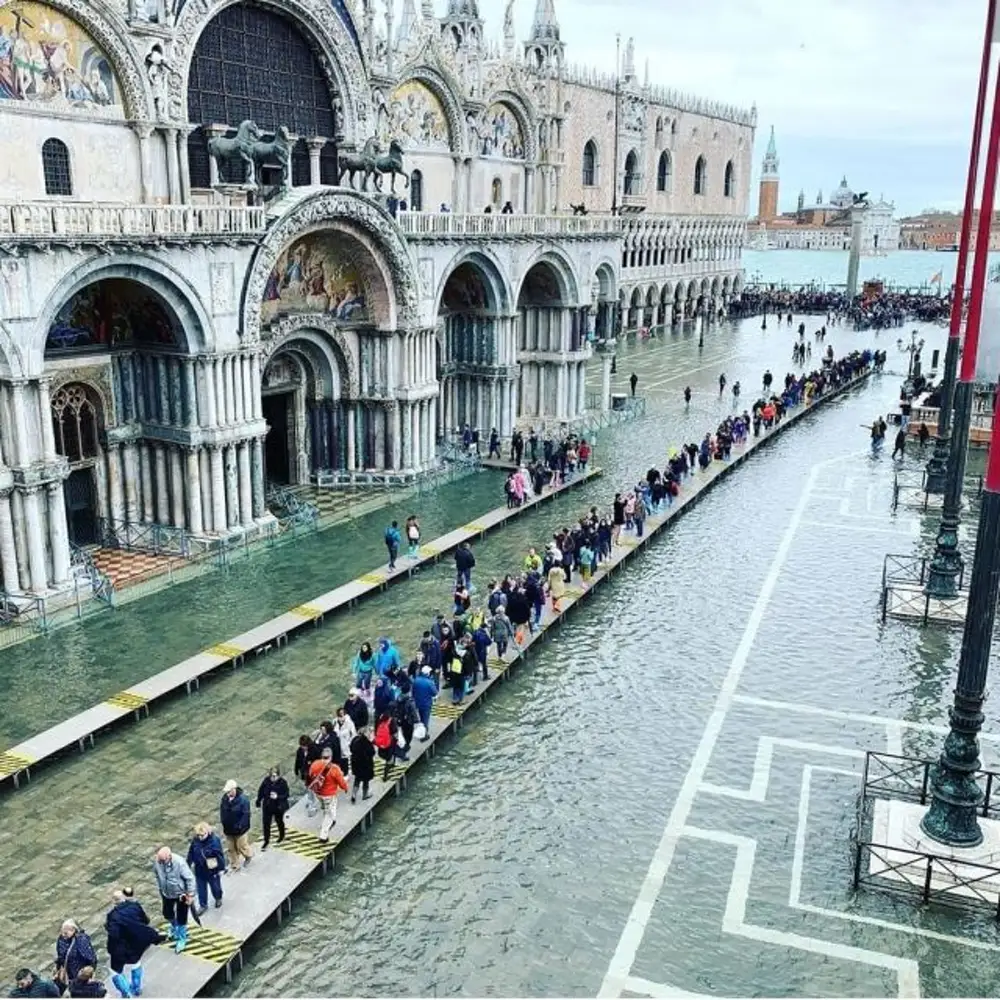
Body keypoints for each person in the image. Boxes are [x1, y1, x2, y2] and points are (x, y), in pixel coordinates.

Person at [105, 888, 162, 999]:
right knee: (135, 964)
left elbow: (114, 934)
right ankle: (136, 988)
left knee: (115, 972)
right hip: (136, 944)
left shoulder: (112, 915)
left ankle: (126, 994)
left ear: (114, 901)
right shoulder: (135, 906)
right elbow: (146, 921)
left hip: (120, 948)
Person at [152, 847, 196, 954]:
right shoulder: (158, 862)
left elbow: (190, 878)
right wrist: (160, 887)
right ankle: (174, 927)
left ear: (168, 857)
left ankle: (182, 938)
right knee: (167, 913)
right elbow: (157, 875)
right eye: (159, 860)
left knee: (182, 917)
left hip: (180, 894)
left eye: (162, 860)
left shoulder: (179, 863)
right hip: (166, 893)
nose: (160, 862)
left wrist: (190, 895)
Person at [307, 746, 349, 841]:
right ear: (331, 757)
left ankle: (324, 809)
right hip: (329, 795)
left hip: (318, 793)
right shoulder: (334, 769)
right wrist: (345, 788)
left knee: (324, 806)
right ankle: (323, 835)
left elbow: (310, 775)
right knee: (329, 815)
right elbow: (341, 782)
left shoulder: (314, 764)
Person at [186, 823, 226, 912]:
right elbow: (191, 853)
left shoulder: (215, 840)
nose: (200, 837)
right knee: (201, 888)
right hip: (200, 869)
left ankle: (218, 898)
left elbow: (219, 855)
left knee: (215, 886)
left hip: (212, 869)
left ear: (207, 832)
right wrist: (187, 864)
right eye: (198, 835)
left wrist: (221, 868)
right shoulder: (195, 840)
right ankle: (203, 905)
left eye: (202, 835)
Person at [54, 921, 98, 993]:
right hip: (69, 972)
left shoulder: (82, 940)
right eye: (62, 932)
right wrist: (57, 969)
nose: (63, 935)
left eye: (66, 933)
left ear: (73, 930)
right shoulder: (61, 939)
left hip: (82, 972)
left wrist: (90, 974)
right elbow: (60, 956)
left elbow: (91, 958)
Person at [219, 779, 253, 872]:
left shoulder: (243, 800)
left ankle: (248, 855)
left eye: (229, 791)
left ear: (234, 789)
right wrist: (223, 821)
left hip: (240, 830)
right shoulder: (225, 799)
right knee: (231, 848)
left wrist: (240, 826)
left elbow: (246, 815)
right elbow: (222, 811)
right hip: (228, 829)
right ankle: (235, 865)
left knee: (241, 846)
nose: (227, 793)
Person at [255, 765, 289, 850]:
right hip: (267, 806)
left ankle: (281, 835)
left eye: (274, 776)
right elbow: (261, 791)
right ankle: (266, 840)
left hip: (278, 807)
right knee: (266, 824)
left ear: (278, 775)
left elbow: (286, 794)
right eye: (271, 776)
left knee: (279, 821)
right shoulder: (266, 781)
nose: (272, 778)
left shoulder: (282, 782)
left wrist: (277, 797)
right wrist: (258, 800)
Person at [349, 726, 376, 802]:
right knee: (366, 781)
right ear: (364, 733)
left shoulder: (355, 740)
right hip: (366, 765)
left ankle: (354, 794)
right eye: (368, 732)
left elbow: (351, 748)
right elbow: (372, 752)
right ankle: (365, 795)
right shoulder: (367, 742)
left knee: (357, 780)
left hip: (356, 764)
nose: (370, 734)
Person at [412, 665, 437, 737]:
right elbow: (434, 693)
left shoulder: (416, 680)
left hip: (418, 703)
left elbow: (413, 692)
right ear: (428, 673)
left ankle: (421, 731)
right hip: (426, 704)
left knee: (421, 718)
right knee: (425, 720)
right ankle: (424, 734)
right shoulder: (429, 682)